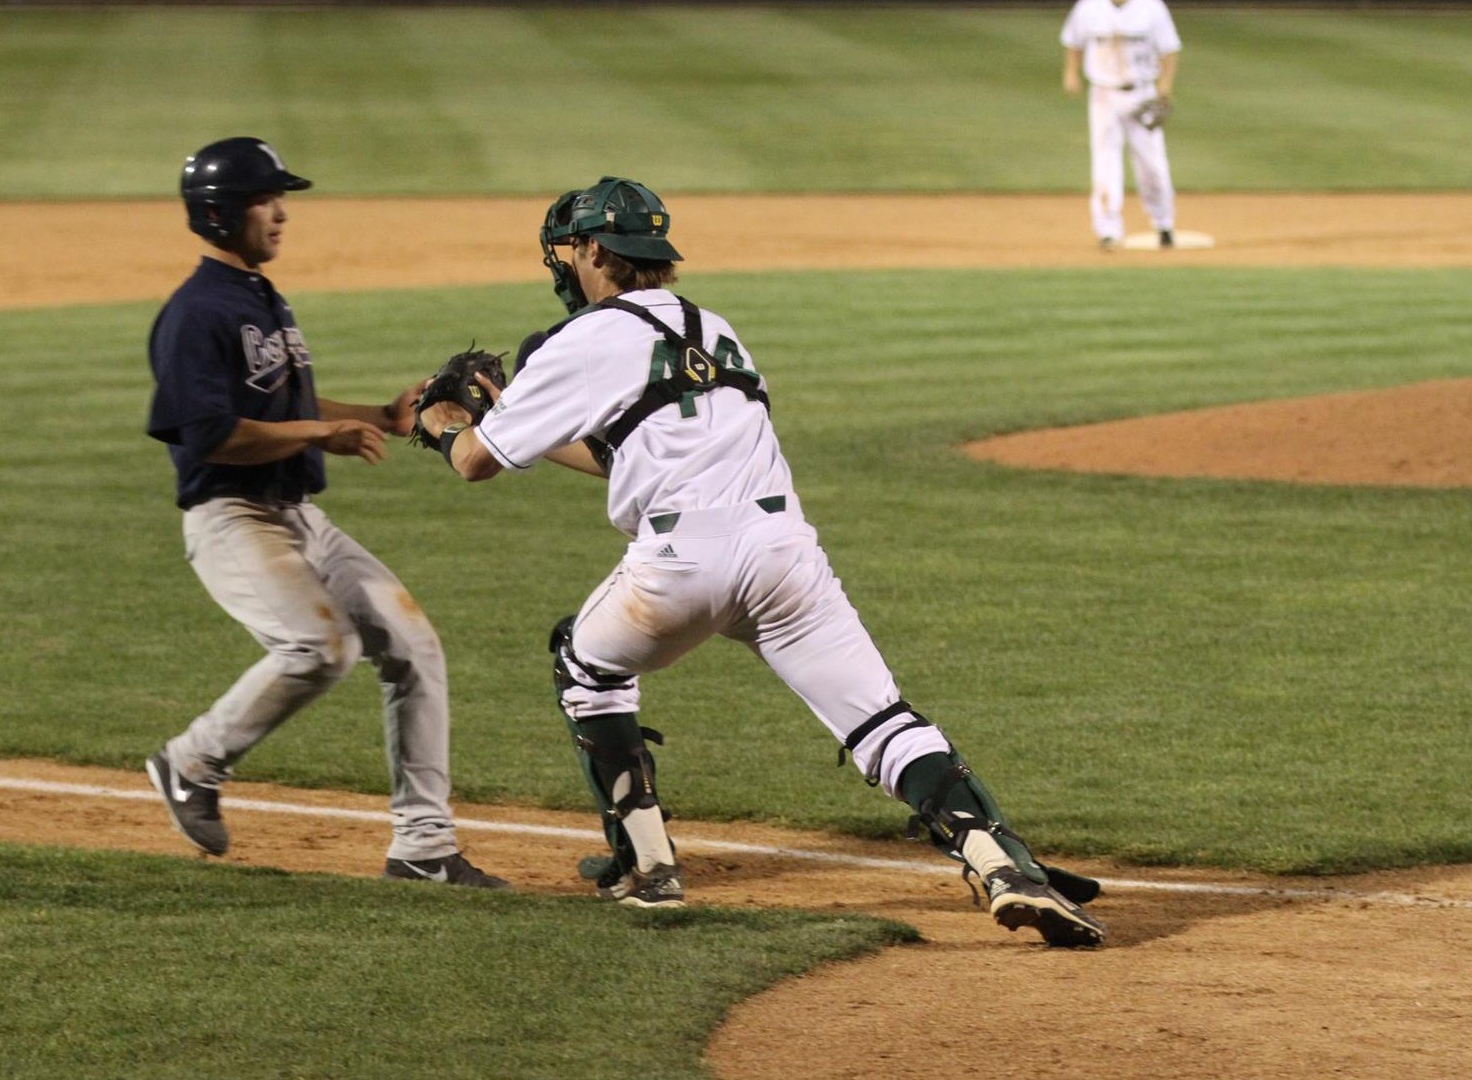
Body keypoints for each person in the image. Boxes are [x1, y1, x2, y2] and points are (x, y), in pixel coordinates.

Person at [413, 177, 1105, 947]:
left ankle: (647, 869)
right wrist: (526, 420)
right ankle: (1004, 862)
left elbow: (476, 462)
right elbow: (633, 455)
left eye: (573, 248)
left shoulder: (584, 338)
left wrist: (447, 422)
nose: (566, 261)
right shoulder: (714, 328)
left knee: (585, 665)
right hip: (783, 556)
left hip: (679, 564)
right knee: (880, 720)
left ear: (597, 253)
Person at [142, 136, 506, 889]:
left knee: (413, 646)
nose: (280, 213)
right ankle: (190, 763)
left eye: (280, 199)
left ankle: (423, 846)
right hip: (232, 518)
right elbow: (211, 435)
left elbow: (285, 402)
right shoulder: (193, 314)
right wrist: (319, 433)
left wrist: (378, 413)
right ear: (218, 215)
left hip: (299, 518)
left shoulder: (259, 296)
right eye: (264, 201)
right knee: (318, 647)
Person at [1061, 0, 1183, 251]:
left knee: (1153, 164)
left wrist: (1164, 88)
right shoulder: (1088, 7)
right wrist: (1071, 72)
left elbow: (1170, 49)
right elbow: (1074, 41)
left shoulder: (1151, 7)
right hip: (1103, 95)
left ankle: (1164, 224)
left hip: (1143, 94)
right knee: (1105, 162)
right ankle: (1108, 230)